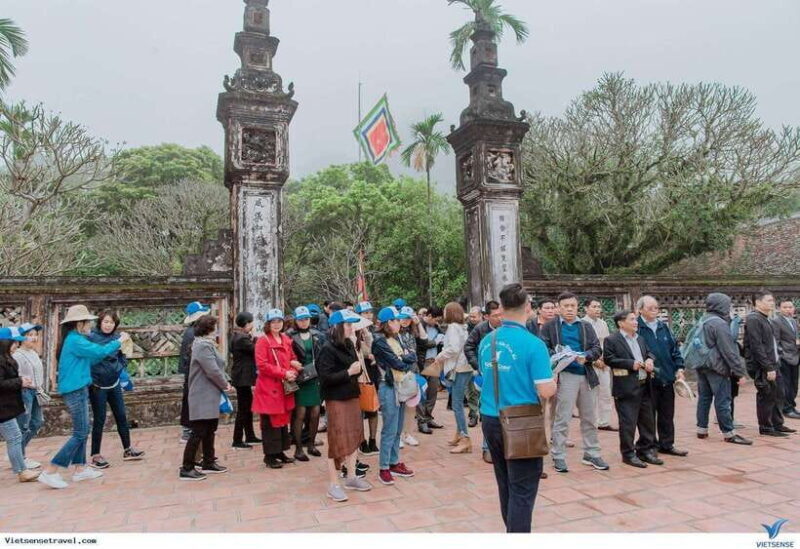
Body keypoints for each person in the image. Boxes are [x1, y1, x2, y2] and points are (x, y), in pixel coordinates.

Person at [478, 283, 556, 533]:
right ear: (529, 308)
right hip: (521, 422)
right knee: (523, 489)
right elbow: (545, 391)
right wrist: (553, 380)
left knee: (506, 483)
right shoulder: (533, 344)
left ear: (501, 308)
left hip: (490, 418)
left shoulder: (487, 341)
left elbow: (484, 375)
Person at [38, 305, 130, 490]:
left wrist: (111, 351)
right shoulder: (75, 340)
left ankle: (80, 468)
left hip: (78, 388)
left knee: (83, 430)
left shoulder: (75, 339)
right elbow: (98, 352)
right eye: (87, 321)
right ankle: (51, 470)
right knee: (80, 432)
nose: (90, 324)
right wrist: (119, 341)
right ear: (79, 323)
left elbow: (92, 358)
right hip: (75, 389)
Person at [540, 292, 608, 473]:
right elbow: (543, 347)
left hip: (586, 374)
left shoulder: (585, 326)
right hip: (565, 376)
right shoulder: (550, 327)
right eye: (565, 306)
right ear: (558, 307)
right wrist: (559, 355)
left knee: (589, 418)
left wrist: (585, 356)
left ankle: (592, 453)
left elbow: (596, 348)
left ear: (577, 307)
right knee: (562, 418)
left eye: (572, 306)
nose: (569, 309)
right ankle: (558, 455)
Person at [317, 309, 373, 501]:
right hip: (336, 399)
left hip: (352, 396)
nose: (352, 328)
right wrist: (349, 373)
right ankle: (334, 484)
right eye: (348, 325)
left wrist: (354, 371)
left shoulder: (349, 344)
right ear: (338, 326)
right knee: (337, 439)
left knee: (355, 435)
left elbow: (355, 370)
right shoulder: (327, 348)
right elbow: (325, 378)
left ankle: (351, 477)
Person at [87, 311, 145, 469]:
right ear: (100, 322)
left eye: (111, 323)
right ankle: (95, 455)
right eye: (105, 322)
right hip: (97, 386)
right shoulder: (91, 337)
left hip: (114, 383)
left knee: (121, 415)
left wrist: (120, 367)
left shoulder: (118, 338)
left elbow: (123, 354)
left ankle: (127, 449)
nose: (108, 325)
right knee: (99, 420)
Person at [603, 310, 660, 468]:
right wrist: (630, 364)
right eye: (632, 319)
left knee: (647, 421)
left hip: (644, 384)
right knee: (628, 423)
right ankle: (628, 454)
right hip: (626, 387)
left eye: (636, 319)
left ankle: (645, 450)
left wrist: (649, 359)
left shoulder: (640, 338)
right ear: (621, 323)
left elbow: (649, 352)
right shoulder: (612, 339)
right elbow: (608, 359)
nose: (636, 322)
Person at [179, 315, 231, 481]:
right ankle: (187, 467)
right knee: (198, 431)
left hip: (210, 394)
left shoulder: (205, 344)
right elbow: (212, 370)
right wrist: (225, 384)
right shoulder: (202, 346)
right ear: (208, 328)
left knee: (209, 429)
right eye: (215, 326)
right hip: (202, 394)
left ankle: (208, 461)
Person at [696, 293, 752, 444]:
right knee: (723, 400)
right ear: (721, 305)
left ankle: (701, 429)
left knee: (704, 398)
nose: (729, 307)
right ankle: (729, 433)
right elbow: (729, 351)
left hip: (702, 365)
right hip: (717, 367)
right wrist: (740, 372)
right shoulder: (719, 324)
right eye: (727, 304)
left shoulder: (703, 319)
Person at [635, 296, 688, 457]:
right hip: (647, 379)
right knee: (648, 415)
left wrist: (679, 368)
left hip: (667, 376)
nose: (654, 311)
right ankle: (649, 445)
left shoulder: (663, 327)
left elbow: (674, 350)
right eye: (650, 308)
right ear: (640, 310)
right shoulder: (636, 328)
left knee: (667, 413)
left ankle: (667, 444)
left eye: (656, 308)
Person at [372, 306, 416, 485]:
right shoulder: (380, 342)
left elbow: (412, 356)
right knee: (389, 428)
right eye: (396, 320)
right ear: (388, 323)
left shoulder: (396, 338)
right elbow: (398, 363)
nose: (399, 323)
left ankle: (394, 462)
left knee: (398, 428)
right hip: (388, 386)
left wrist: (406, 359)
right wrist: (405, 359)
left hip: (401, 385)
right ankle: (384, 467)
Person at [253, 309, 301, 468]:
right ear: (268, 324)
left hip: (283, 387)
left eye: (279, 321)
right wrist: (284, 373)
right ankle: (269, 456)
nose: (276, 324)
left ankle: (280, 451)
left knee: (282, 421)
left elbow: (292, 358)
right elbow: (262, 365)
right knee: (269, 423)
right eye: (273, 322)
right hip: (269, 387)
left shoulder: (285, 339)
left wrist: (293, 372)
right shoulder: (263, 341)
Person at [745, 291, 795, 437]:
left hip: (774, 363)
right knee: (766, 395)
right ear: (758, 302)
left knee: (779, 394)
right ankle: (766, 427)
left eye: (772, 300)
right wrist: (768, 367)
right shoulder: (754, 319)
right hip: (763, 366)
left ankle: (777, 424)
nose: (772, 303)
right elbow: (756, 346)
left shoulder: (766, 319)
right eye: (768, 300)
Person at [464, 300, 503, 464]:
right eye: (495, 316)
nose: (499, 318)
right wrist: (478, 365)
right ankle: (487, 448)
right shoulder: (481, 329)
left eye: (501, 314)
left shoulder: (506, 329)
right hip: (486, 376)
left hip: (505, 375)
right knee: (488, 409)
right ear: (486, 317)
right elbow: (468, 347)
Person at [0, 327, 40, 483]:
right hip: (3, 408)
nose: (16, 345)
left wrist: (20, 381)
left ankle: (21, 469)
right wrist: (20, 381)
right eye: (14, 342)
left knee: (15, 437)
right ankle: (21, 471)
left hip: (8, 405)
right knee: (15, 437)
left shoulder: (7, 358)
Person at [287, 306, 324, 462]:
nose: (304, 322)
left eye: (306, 319)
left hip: (315, 376)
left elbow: (322, 354)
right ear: (296, 320)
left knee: (315, 412)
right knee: (300, 414)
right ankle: (298, 448)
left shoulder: (317, 335)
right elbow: (286, 356)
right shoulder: (289, 336)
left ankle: (311, 444)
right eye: (301, 319)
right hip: (300, 377)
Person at [434, 302, 472, 454]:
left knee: (456, 404)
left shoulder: (452, 328)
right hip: (465, 367)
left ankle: (465, 438)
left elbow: (454, 348)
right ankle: (459, 433)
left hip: (458, 368)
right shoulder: (463, 327)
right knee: (457, 401)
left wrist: (440, 356)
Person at [13, 323, 45, 468]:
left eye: (35, 335)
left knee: (37, 422)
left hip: (36, 391)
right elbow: (14, 376)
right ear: (21, 338)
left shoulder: (33, 352)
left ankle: (17, 453)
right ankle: (20, 458)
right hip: (24, 393)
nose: (34, 338)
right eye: (29, 335)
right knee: (23, 425)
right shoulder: (17, 355)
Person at [179, 302, 212, 444]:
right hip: (192, 372)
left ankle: (189, 428)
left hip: (191, 371)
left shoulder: (191, 331)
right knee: (190, 399)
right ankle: (187, 430)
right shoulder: (192, 333)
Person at [581, 297, 615, 432]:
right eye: (594, 307)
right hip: (589, 364)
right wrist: (594, 361)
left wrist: (605, 360)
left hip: (604, 363)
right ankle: (590, 423)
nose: (597, 309)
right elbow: (581, 346)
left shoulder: (603, 323)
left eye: (599, 307)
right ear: (586, 308)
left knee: (606, 393)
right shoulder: (581, 324)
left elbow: (606, 343)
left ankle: (604, 421)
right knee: (591, 395)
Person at [230, 312, 260, 449]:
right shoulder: (242, 339)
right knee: (243, 409)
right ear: (247, 323)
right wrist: (255, 340)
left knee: (247, 407)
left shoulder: (237, 336)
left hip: (242, 376)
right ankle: (237, 439)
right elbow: (256, 350)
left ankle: (250, 435)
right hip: (243, 377)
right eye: (251, 322)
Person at [397, 305, 425, 447]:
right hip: (401, 372)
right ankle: (399, 436)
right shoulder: (394, 333)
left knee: (412, 405)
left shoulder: (412, 332)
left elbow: (425, 339)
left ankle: (408, 434)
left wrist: (418, 323)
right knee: (400, 405)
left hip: (413, 371)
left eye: (408, 318)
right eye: (403, 318)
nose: (405, 321)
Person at [355, 302, 380, 456]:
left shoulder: (375, 332)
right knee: (359, 410)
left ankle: (372, 440)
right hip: (358, 375)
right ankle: (361, 440)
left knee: (373, 407)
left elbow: (375, 351)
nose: (368, 315)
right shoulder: (352, 332)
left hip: (372, 373)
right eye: (365, 313)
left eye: (370, 312)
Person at [417, 306, 444, 435]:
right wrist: (435, 342)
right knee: (421, 393)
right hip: (423, 363)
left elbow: (442, 338)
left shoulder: (437, 327)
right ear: (429, 316)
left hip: (434, 361)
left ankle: (428, 418)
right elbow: (422, 343)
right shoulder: (419, 326)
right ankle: (421, 421)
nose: (437, 322)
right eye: (436, 319)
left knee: (432, 393)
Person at [773, 299, 800, 419]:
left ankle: (792, 406)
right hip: (784, 358)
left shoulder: (793, 321)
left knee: (794, 384)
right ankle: (786, 408)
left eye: (790, 307)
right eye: (785, 307)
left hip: (795, 356)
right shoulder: (776, 321)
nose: (788, 309)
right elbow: (776, 341)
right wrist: (781, 355)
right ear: (779, 309)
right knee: (786, 384)